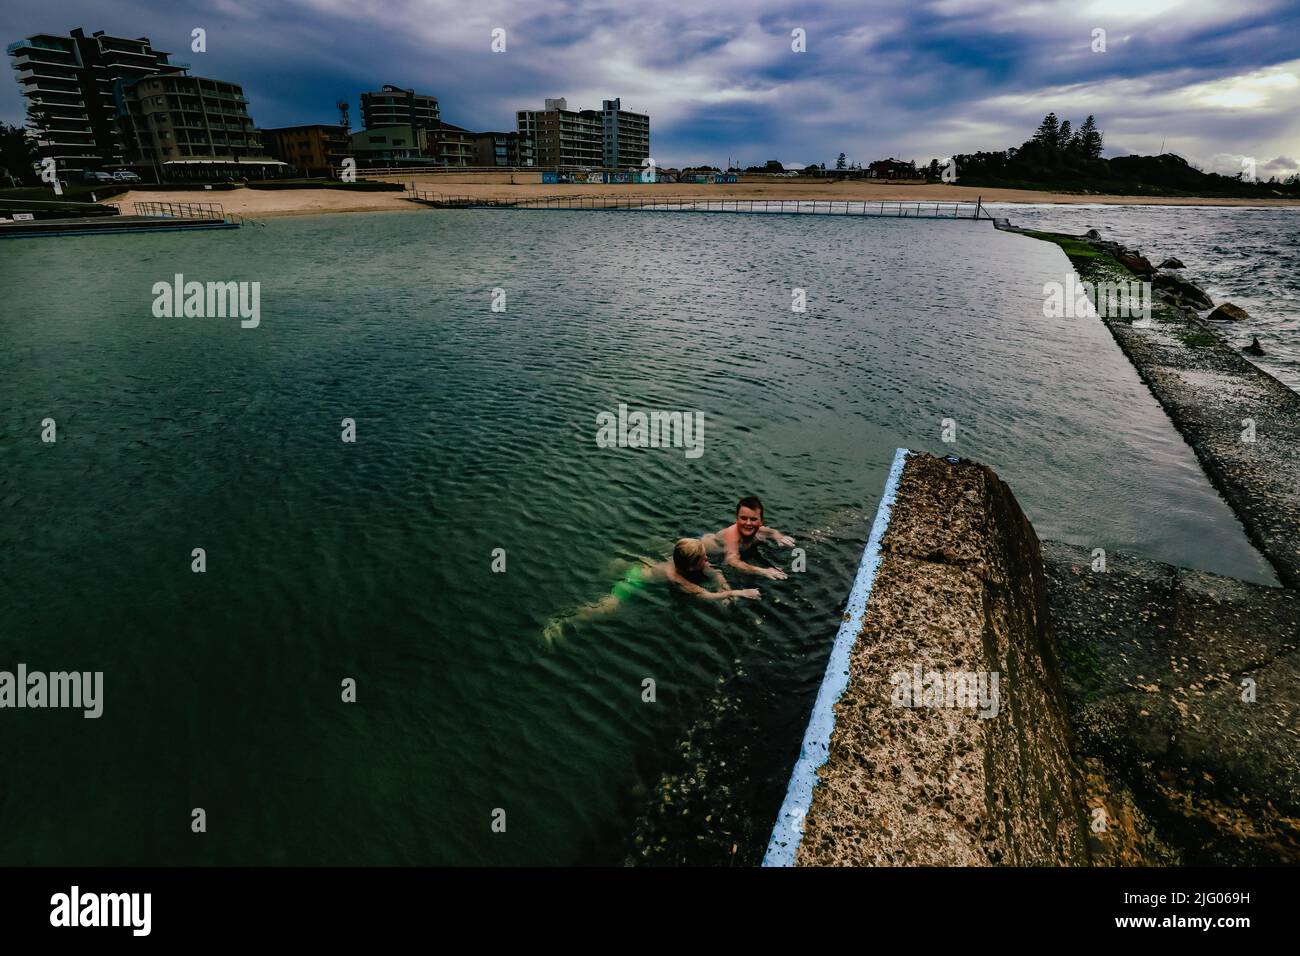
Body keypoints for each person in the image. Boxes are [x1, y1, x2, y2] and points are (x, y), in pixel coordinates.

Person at [543, 538, 759, 643]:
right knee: (609, 607)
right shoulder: (675, 578)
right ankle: (564, 623)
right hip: (634, 580)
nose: (707, 559)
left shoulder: (683, 559)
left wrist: (724, 586)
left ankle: (610, 567)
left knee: (617, 566)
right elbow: (703, 594)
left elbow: (716, 575)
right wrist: (735, 593)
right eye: (703, 557)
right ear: (691, 566)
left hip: (645, 566)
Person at [702, 496, 796, 580]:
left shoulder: (760, 531)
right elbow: (732, 561)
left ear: (761, 521)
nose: (748, 523)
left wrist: (780, 538)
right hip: (701, 550)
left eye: (753, 519)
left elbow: (773, 532)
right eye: (743, 518)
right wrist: (763, 571)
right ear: (737, 519)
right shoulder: (731, 534)